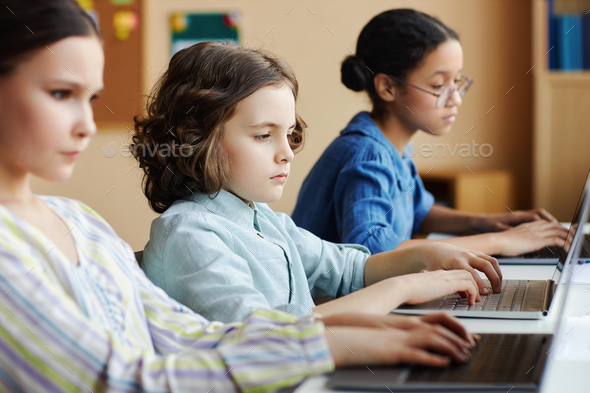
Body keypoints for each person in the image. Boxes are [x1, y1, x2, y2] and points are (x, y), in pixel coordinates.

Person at [0, 1, 480, 391]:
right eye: (62, 93)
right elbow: (125, 380)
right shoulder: (11, 249)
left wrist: (368, 326)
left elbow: (194, 338)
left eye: (90, 97)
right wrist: (362, 317)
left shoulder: (79, 220)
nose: (86, 124)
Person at [134, 40, 502, 325]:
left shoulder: (265, 220)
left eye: (289, 134)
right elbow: (265, 337)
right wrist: (404, 286)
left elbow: (346, 269)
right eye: (264, 135)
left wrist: (424, 255)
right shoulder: (189, 235)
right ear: (197, 138)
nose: (287, 153)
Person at [291, 8, 568, 257]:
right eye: (438, 85)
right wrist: (499, 242)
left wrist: (490, 222)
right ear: (387, 87)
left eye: (457, 81)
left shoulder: (392, 144)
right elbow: (373, 249)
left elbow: (420, 211)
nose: (456, 99)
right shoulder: (367, 154)